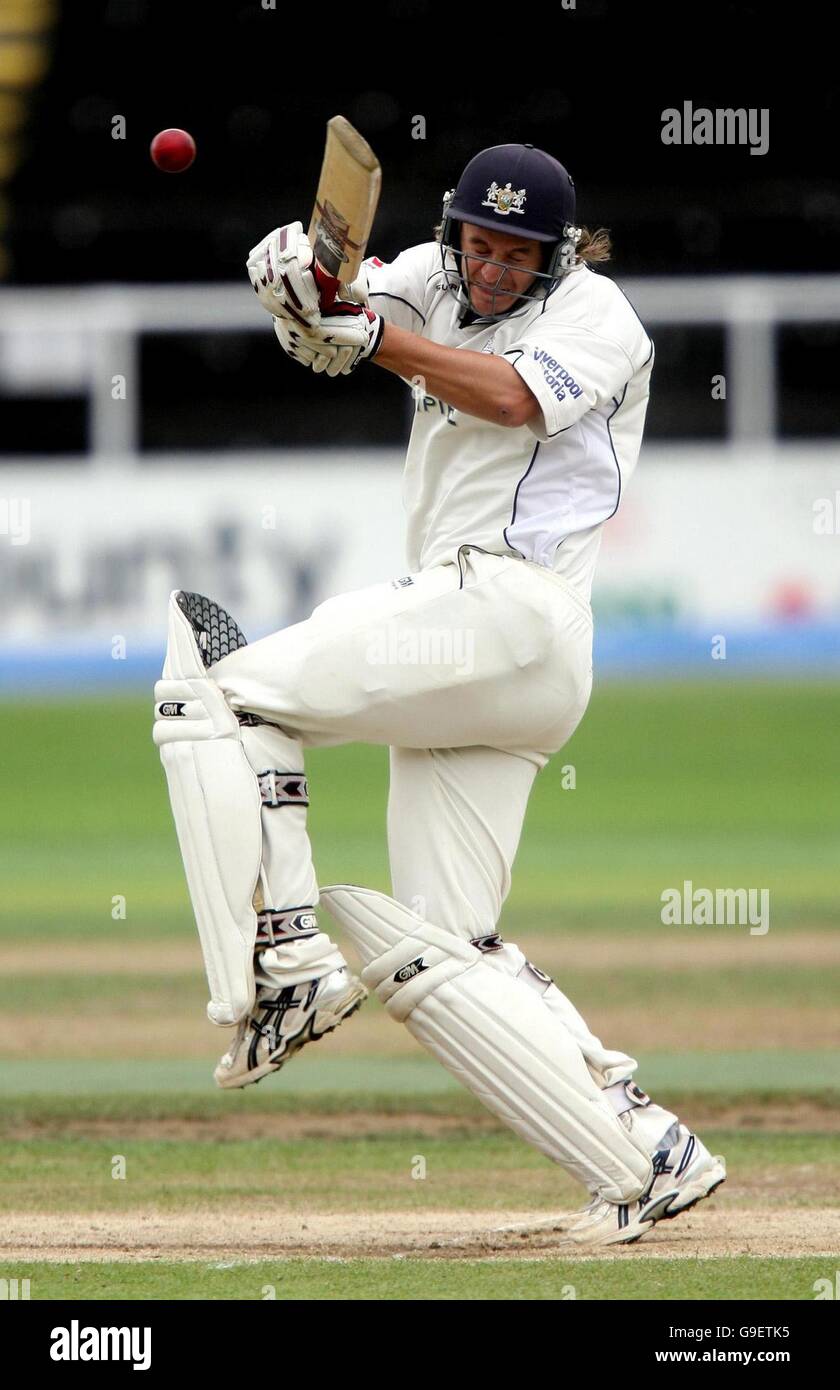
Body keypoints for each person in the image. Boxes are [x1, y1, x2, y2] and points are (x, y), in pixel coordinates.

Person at [153, 142, 726, 1247]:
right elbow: (339, 321)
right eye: (481, 243)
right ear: (455, 229)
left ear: (559, 254)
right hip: (487, 660)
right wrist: (296, 288)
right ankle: (645, 1148)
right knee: (445, 949)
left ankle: (287, 962)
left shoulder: (601, 317)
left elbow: (512, 398)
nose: (495, 269)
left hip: (511, 613)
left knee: (222, 697)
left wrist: (369, 338)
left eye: (520, 254)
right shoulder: (428, 271)